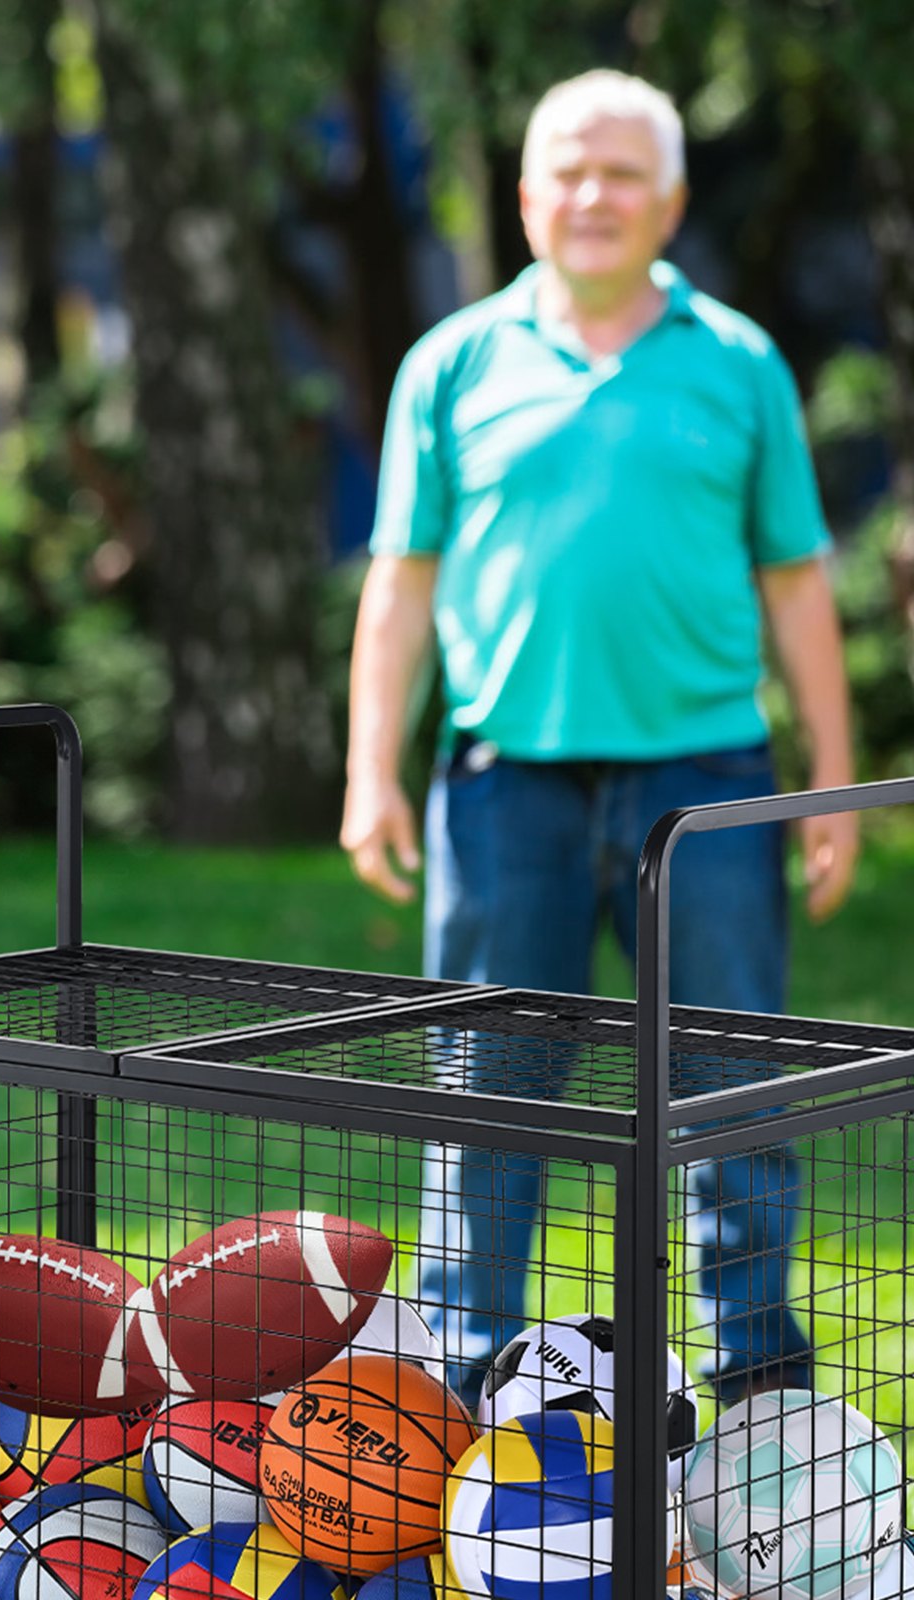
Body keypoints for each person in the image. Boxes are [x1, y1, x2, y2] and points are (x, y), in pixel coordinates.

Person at [340, 70, 857, 1407]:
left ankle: (759, 1390)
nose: (593, 194)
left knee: (733, 1088)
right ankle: (453, 1387)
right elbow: (399, 582)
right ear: (523, 197)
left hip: (710, 788)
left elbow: (798, 582)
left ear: (671, 200)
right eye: (567, 170)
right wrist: (368, 773)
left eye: (623, 172)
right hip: (505, 788)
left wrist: (834, 786)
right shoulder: (451, 362)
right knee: (488, 1094)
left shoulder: (738, 363)